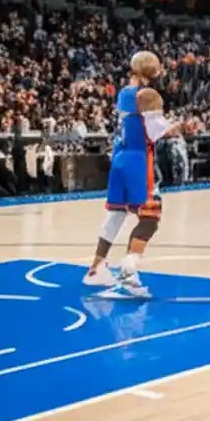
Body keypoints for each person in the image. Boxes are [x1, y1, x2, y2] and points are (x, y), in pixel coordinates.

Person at [83, 52, 182, 298]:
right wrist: (178, 127)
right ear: (153, 69)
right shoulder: (148, 95)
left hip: (119, 157)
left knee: (116, 213)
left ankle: (96, 269)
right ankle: (128, 274)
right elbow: (156, 132)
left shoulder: (125, 92)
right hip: (139, 160)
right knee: (150, 217)